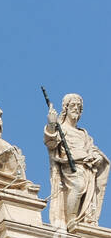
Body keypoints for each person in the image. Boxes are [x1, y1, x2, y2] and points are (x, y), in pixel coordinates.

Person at [44, 93, 109, 230]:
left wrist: (97, 156)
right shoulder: (61, 128)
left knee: (86, 193)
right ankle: (71, 220)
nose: (76, 108)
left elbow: (92, 149)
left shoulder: (83, 133)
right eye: (72, 105)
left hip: (87, 168)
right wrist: (51, 123)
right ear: (65, 108)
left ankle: (83, 221)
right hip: (70, 168)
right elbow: (50, 142)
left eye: (79, 106)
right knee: (78, 185)